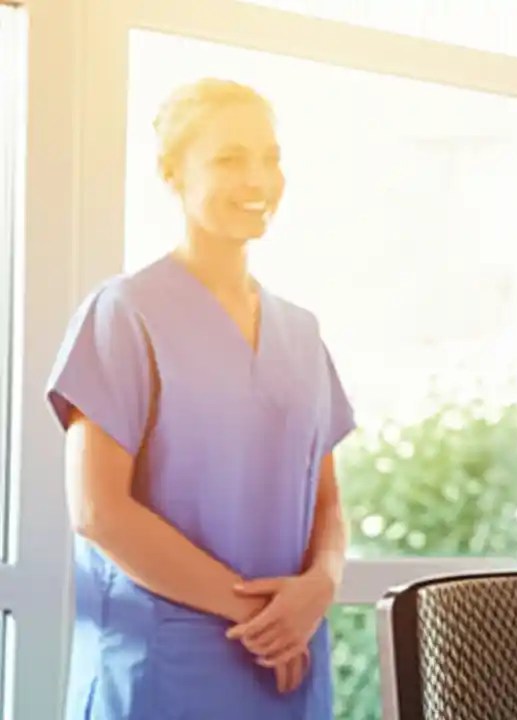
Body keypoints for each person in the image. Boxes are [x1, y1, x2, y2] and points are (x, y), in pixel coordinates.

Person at [47, 78, 354, 718]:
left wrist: (321, 584)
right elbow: (99, 511)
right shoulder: (125, 313)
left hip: (286, 671)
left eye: (270, 157)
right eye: (228, 158)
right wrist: (260, 617)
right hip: (165, 669)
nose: (258, 178)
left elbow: (325, 499)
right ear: (171, 173)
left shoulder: (301, 331)